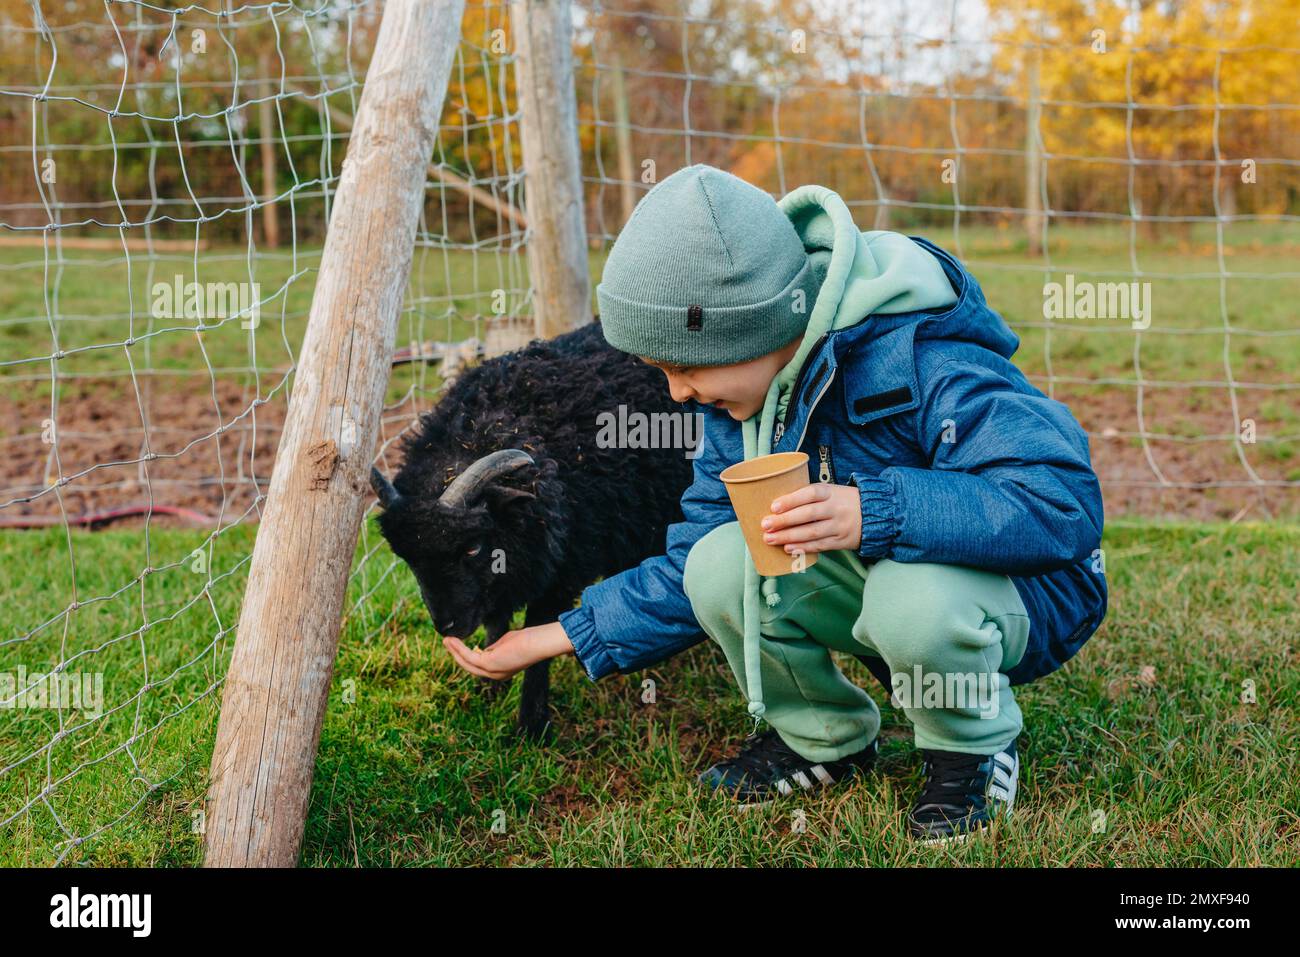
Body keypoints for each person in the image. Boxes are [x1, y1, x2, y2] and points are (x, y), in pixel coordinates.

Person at [443, 163, 1108, 844]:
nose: (676, 394)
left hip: (1030, 590)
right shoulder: (744, 400)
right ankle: (825, 737)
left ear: (750, 327)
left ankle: (971, 749)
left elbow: (1060, 502)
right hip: (889, 580)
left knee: (909, 598)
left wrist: (871, 510)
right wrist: (559, 635)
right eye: (662, 373)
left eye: (685, 367)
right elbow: (686, 569)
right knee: (719, 560)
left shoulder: (923, 354)